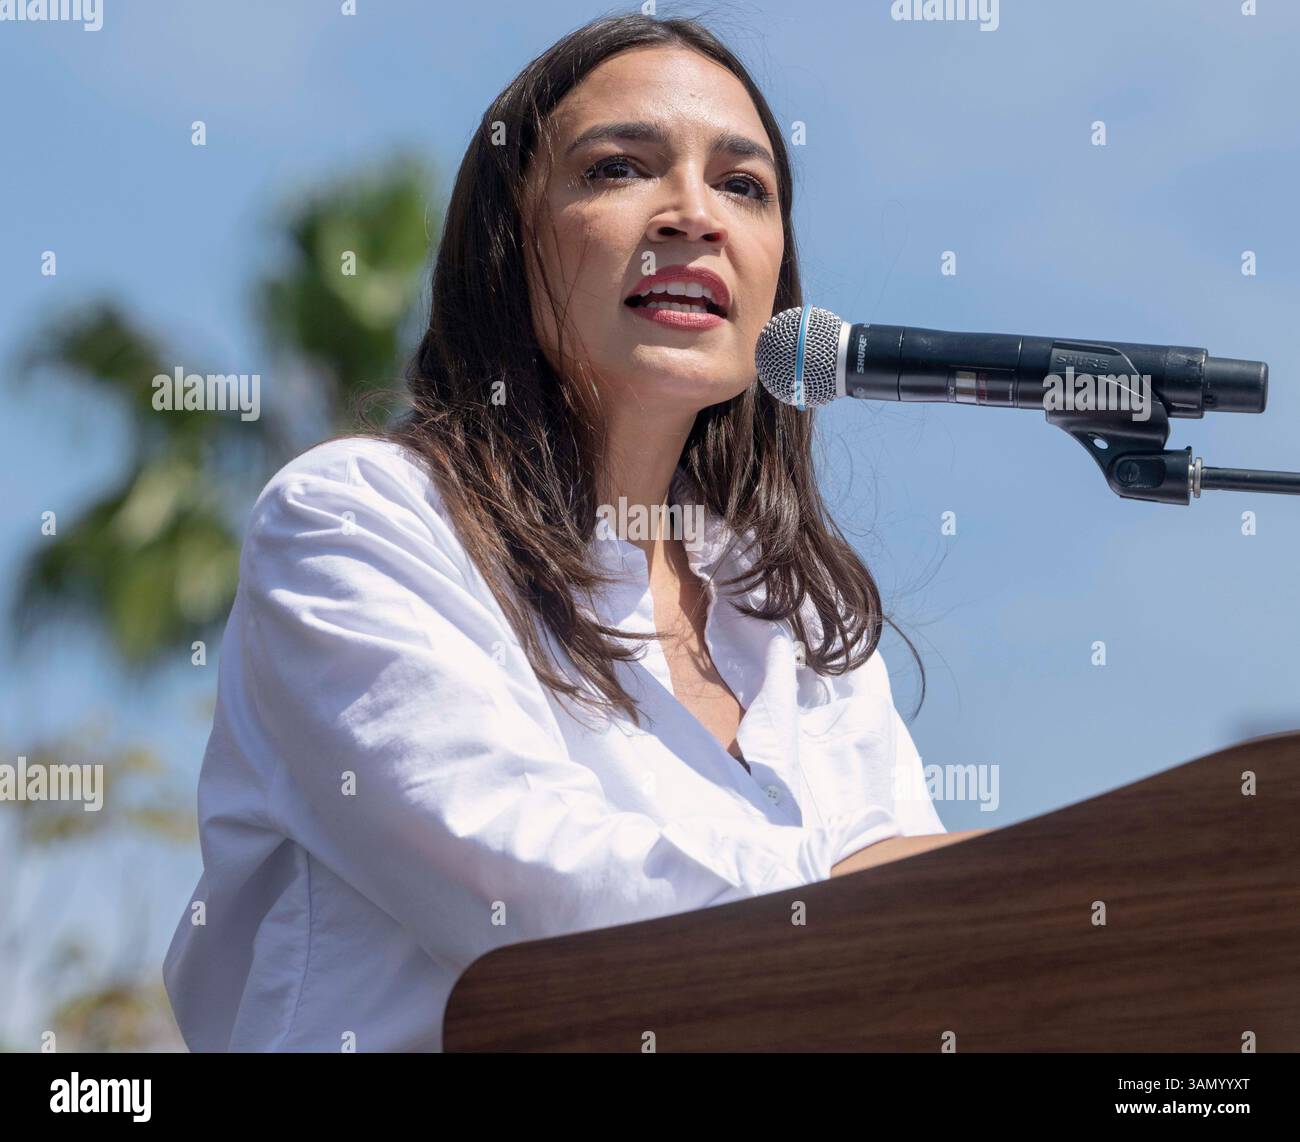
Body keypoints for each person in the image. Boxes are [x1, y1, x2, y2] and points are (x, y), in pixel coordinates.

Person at [163, 12, 977, 1054]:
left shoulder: (798, 613)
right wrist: (935, 900)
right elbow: (549, 906)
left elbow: (942, 970)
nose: (695, 214)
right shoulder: (359, 518)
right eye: (619, 168)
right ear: (512, 240)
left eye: (744, 185)